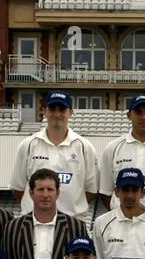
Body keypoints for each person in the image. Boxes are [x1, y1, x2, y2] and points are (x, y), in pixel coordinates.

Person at [8, 90, 99, 219]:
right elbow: (18, 188)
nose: (57, 114)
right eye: (52, 109)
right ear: (44, 111)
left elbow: (91, 190)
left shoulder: (84, 147)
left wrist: (70, 210)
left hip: (71, 222)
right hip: (34, 222)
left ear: (70, 113)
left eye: (62, 109)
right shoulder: (28, 145)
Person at [6, 168, 88, 259]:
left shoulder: (76, 227)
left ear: (58, 193)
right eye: (40, 189)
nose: (45, 195)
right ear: (31, 193)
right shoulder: (13, 228)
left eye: (50, 190)